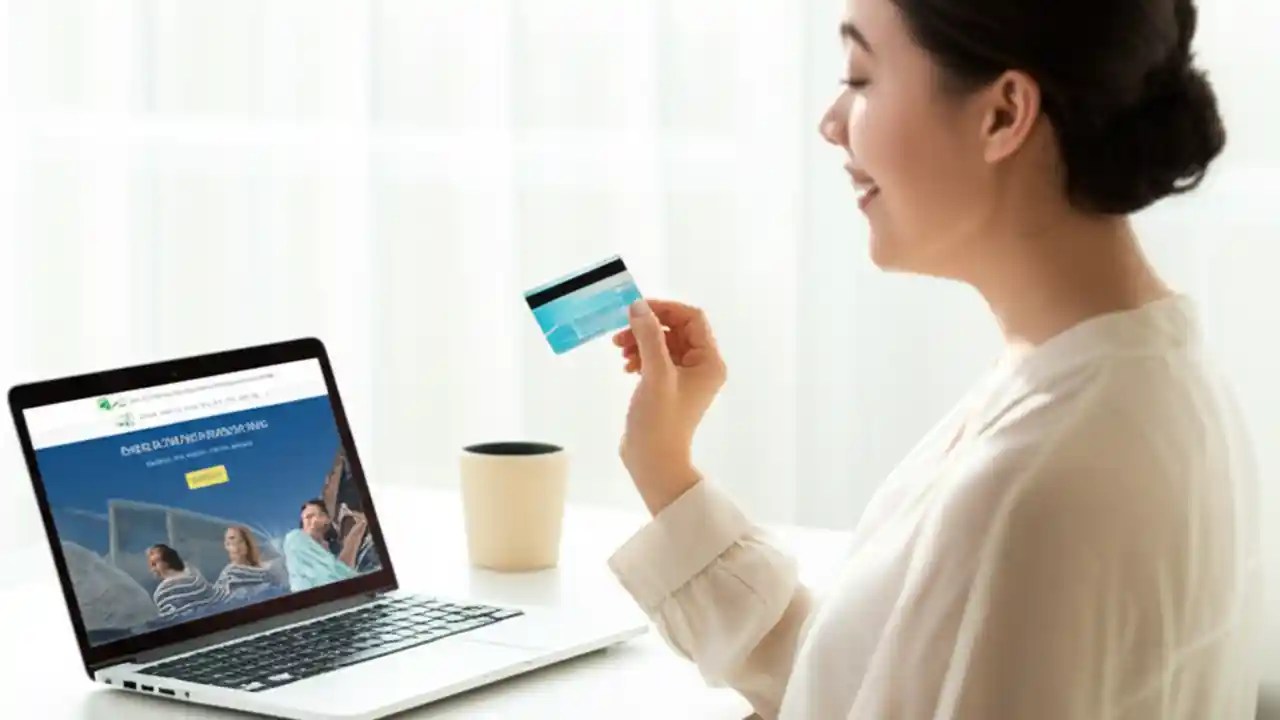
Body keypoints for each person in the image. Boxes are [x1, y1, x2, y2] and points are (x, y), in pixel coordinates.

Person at [606, 0, 1261, 718]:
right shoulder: (1119, 379)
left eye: (860, 78)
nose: (831, 123)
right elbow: (856, 683)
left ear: (1004, 114)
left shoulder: (1043, 476)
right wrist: (665, 468)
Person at [282, 499, 367, 592]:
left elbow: (342, 570)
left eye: (314, 516)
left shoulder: (327, 548)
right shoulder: (295, 538)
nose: (311, 521)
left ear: (326, 518)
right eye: (307, 517)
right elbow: (327, 577)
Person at [146, 544, 219, 620]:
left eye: (154, 564)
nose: (151, 569)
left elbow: (170, 621)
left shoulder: (163, 592)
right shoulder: (194, 573)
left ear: (165, 562)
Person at [213, 526, 280, 603]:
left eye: (240, 541)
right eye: (230, 542)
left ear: (247, 543)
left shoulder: (269, 570)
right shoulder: (229, 575)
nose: (235, 546)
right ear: (226, 546)